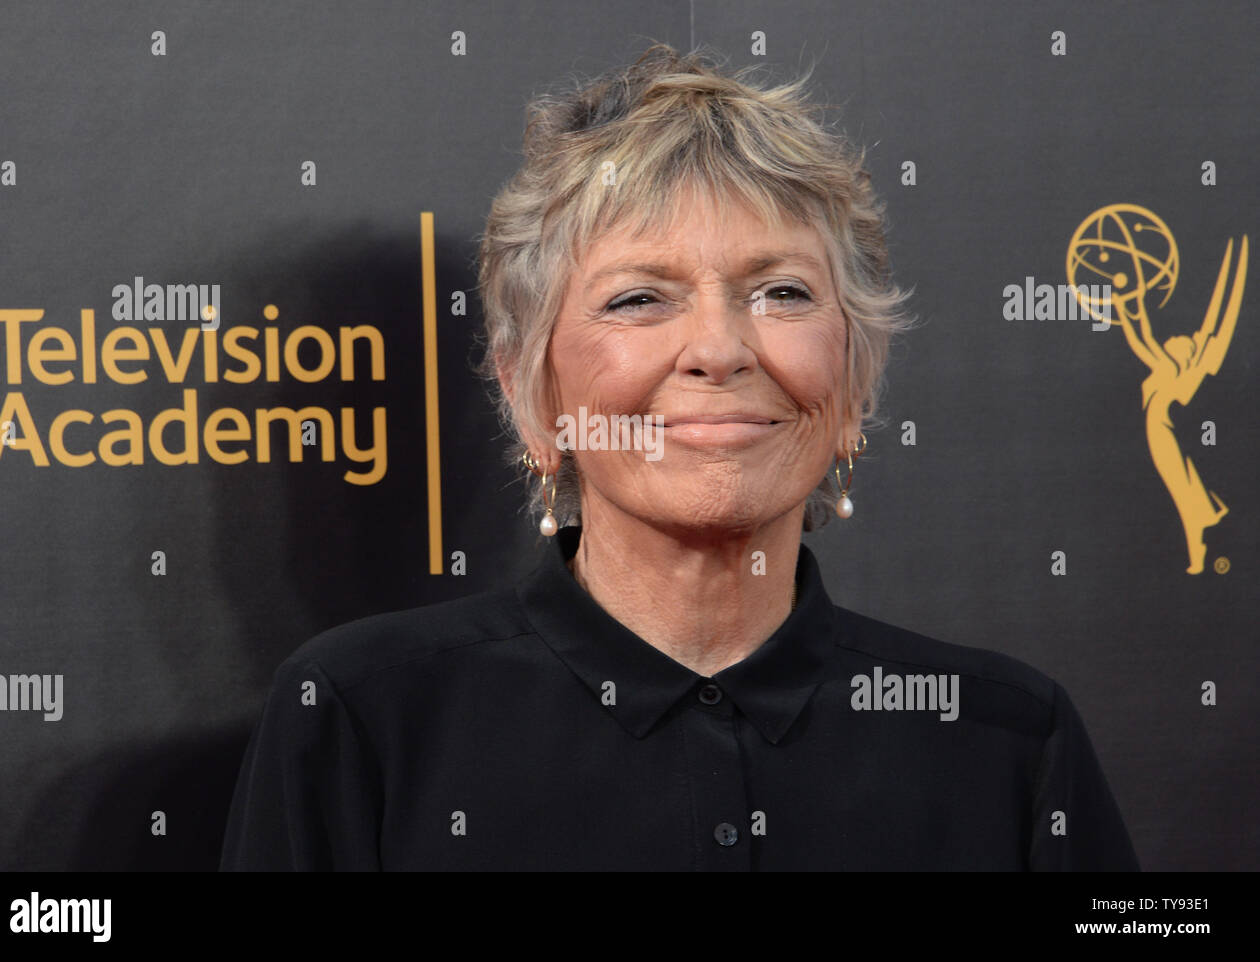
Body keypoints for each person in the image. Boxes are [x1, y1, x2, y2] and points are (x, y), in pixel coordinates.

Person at [220, 43, 1139, 871]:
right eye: (638, 300)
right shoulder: (357, 718)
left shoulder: (1010, 737)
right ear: (529, 394)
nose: (721, 349)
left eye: (782, 292)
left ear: (856, 385)